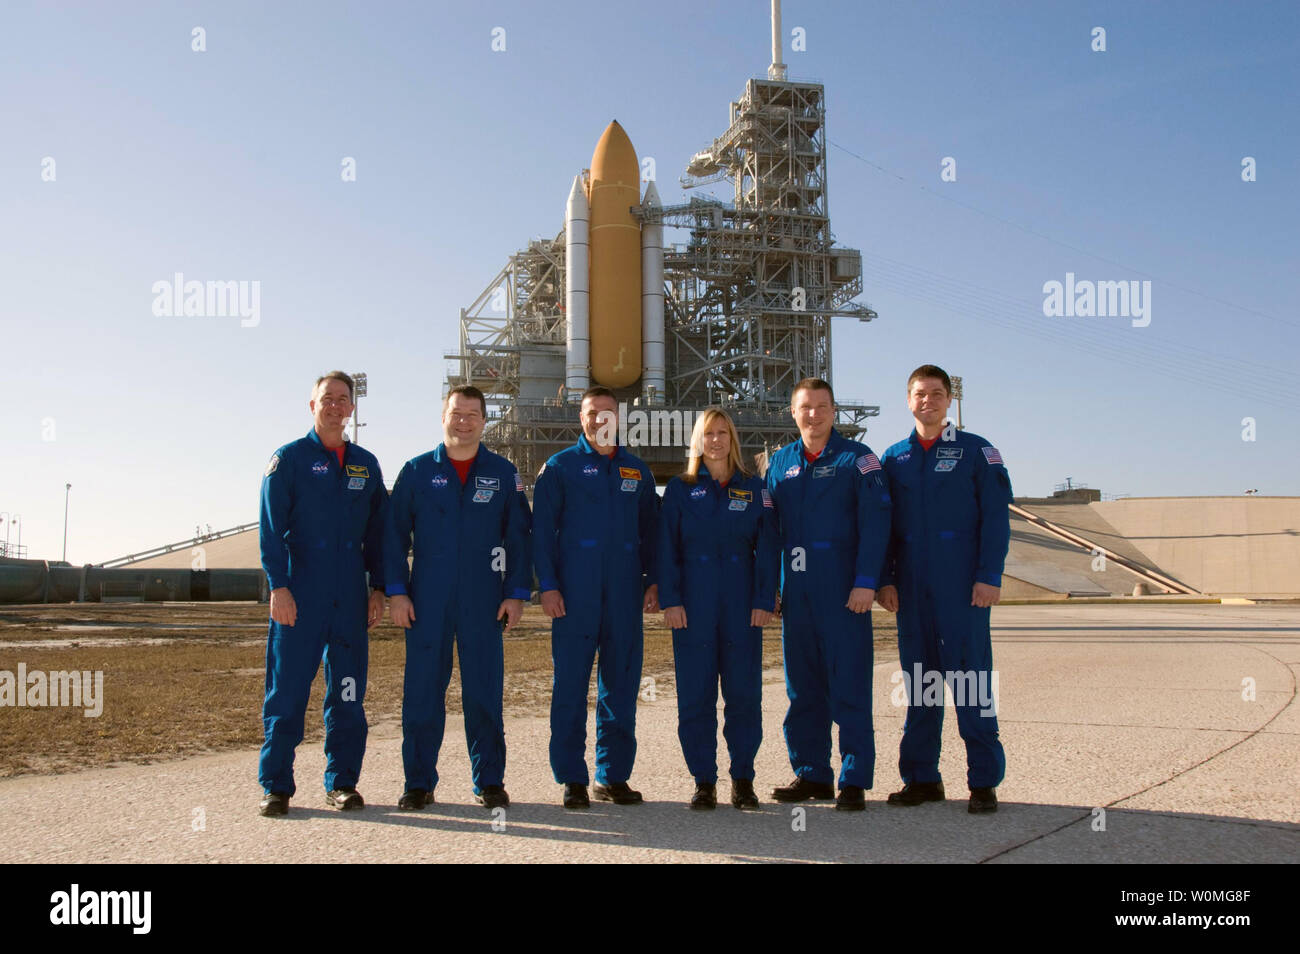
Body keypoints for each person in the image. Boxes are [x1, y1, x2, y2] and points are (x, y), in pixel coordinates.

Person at [384, 385, 532, 811]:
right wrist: (396, 591)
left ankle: (489, 781)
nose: (463, 421)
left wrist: (516, 594)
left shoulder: (504, 474)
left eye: (472, 414)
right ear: (443, 416)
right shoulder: (415, 471)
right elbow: (392, 539)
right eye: (456, 412)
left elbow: (519, 537)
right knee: (422, 693)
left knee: (483, 693)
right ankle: (418, 783)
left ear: (484, 421)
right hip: (426, 599)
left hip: (484, 600)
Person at [876, 365, 1011, 813]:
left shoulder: (977, 451)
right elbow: (885, 529)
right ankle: (922, 778)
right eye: (919, 394)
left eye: (936, 394)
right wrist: (886, 579)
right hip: (912, 589)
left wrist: (989, 575)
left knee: (970, 680)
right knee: (921, 684)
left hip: (963, 587)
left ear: (949, 400)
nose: (927, 401)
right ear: (907, 400)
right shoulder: (893, 457)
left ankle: (983, 782)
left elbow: (995, 518)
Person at [257, 371, 387, 816]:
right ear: (312, 406)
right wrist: (279, 587)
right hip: (301, 596)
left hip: (350, 599)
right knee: (288, 692)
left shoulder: (365, 465)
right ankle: (277, 786)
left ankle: (342, 782)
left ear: (352, 408)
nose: (335, 406)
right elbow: (271, 531)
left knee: (348, 694)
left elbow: (380, 534)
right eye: (326, 398)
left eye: (342, 399)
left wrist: (379, 588)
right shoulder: (288, 460)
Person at [765, 378, 892, 811]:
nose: (813, 415)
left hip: (844, 593)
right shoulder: (780, 463)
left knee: (849, 685)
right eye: (805, 407)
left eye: (822, 407)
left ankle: (853, 777)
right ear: (793, 412)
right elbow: (768, 534)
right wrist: (772, 589)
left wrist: (866, 582)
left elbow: (877, 526)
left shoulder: (859, 460)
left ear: (834, 412)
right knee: (803, 689)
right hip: (797, 594)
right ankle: (811, 773)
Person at [532, 386, 659, 809]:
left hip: (623, 595)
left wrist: (654, 581)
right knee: (570, 686)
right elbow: (541, 534)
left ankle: (613, 775)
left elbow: (651, 535)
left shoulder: (637, 472)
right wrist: (547, 586)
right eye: (592, 413)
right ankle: (571, 777)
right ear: (581, 418)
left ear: (618, 418)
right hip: (574, 596)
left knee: (620, 687)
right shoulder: (559, 467)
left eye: (607, 412)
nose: (599, 419)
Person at [658, 408, 778, 810]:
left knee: (744, 696)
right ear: (697, 440)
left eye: (723, 432)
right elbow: (666, 549)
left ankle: (743, 778)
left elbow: (768, 549)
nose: (716, 440)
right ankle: (703, 780)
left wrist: (764, 599)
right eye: (708, 433)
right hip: (693, 606)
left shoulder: (754, 487)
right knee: (696, 696)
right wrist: (671, 600)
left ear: (733, 438)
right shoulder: (679, 488)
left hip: (742, 606)